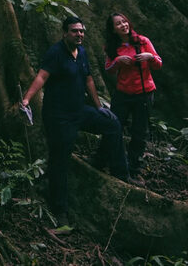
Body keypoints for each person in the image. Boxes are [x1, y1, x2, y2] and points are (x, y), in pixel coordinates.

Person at [20, 16, 134, 230]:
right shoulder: (55, 53)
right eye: (74, 31)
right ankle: (59, 208)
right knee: (60, 160)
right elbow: (42, 77)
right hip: (58, 116)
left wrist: (99, 106)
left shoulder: (81, 53)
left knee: (113, 125)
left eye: (81, 31)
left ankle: (118, 171)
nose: (79, 34)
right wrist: (27, 99)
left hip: (79, 111)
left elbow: (89, 79)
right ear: (65, 33)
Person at [104, 12, 162, 177]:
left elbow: (158, 63)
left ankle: (133, 169)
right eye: (118, 24)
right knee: (113, 126)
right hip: (122, 94)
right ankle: (104, 161)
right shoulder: (112, 47)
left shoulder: (142, 41)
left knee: (139, 132)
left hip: (144, 93)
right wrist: (117, 61)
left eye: (124, 22)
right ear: (113, 29)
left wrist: (149, 57)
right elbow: (108, 70)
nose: (123, 25)